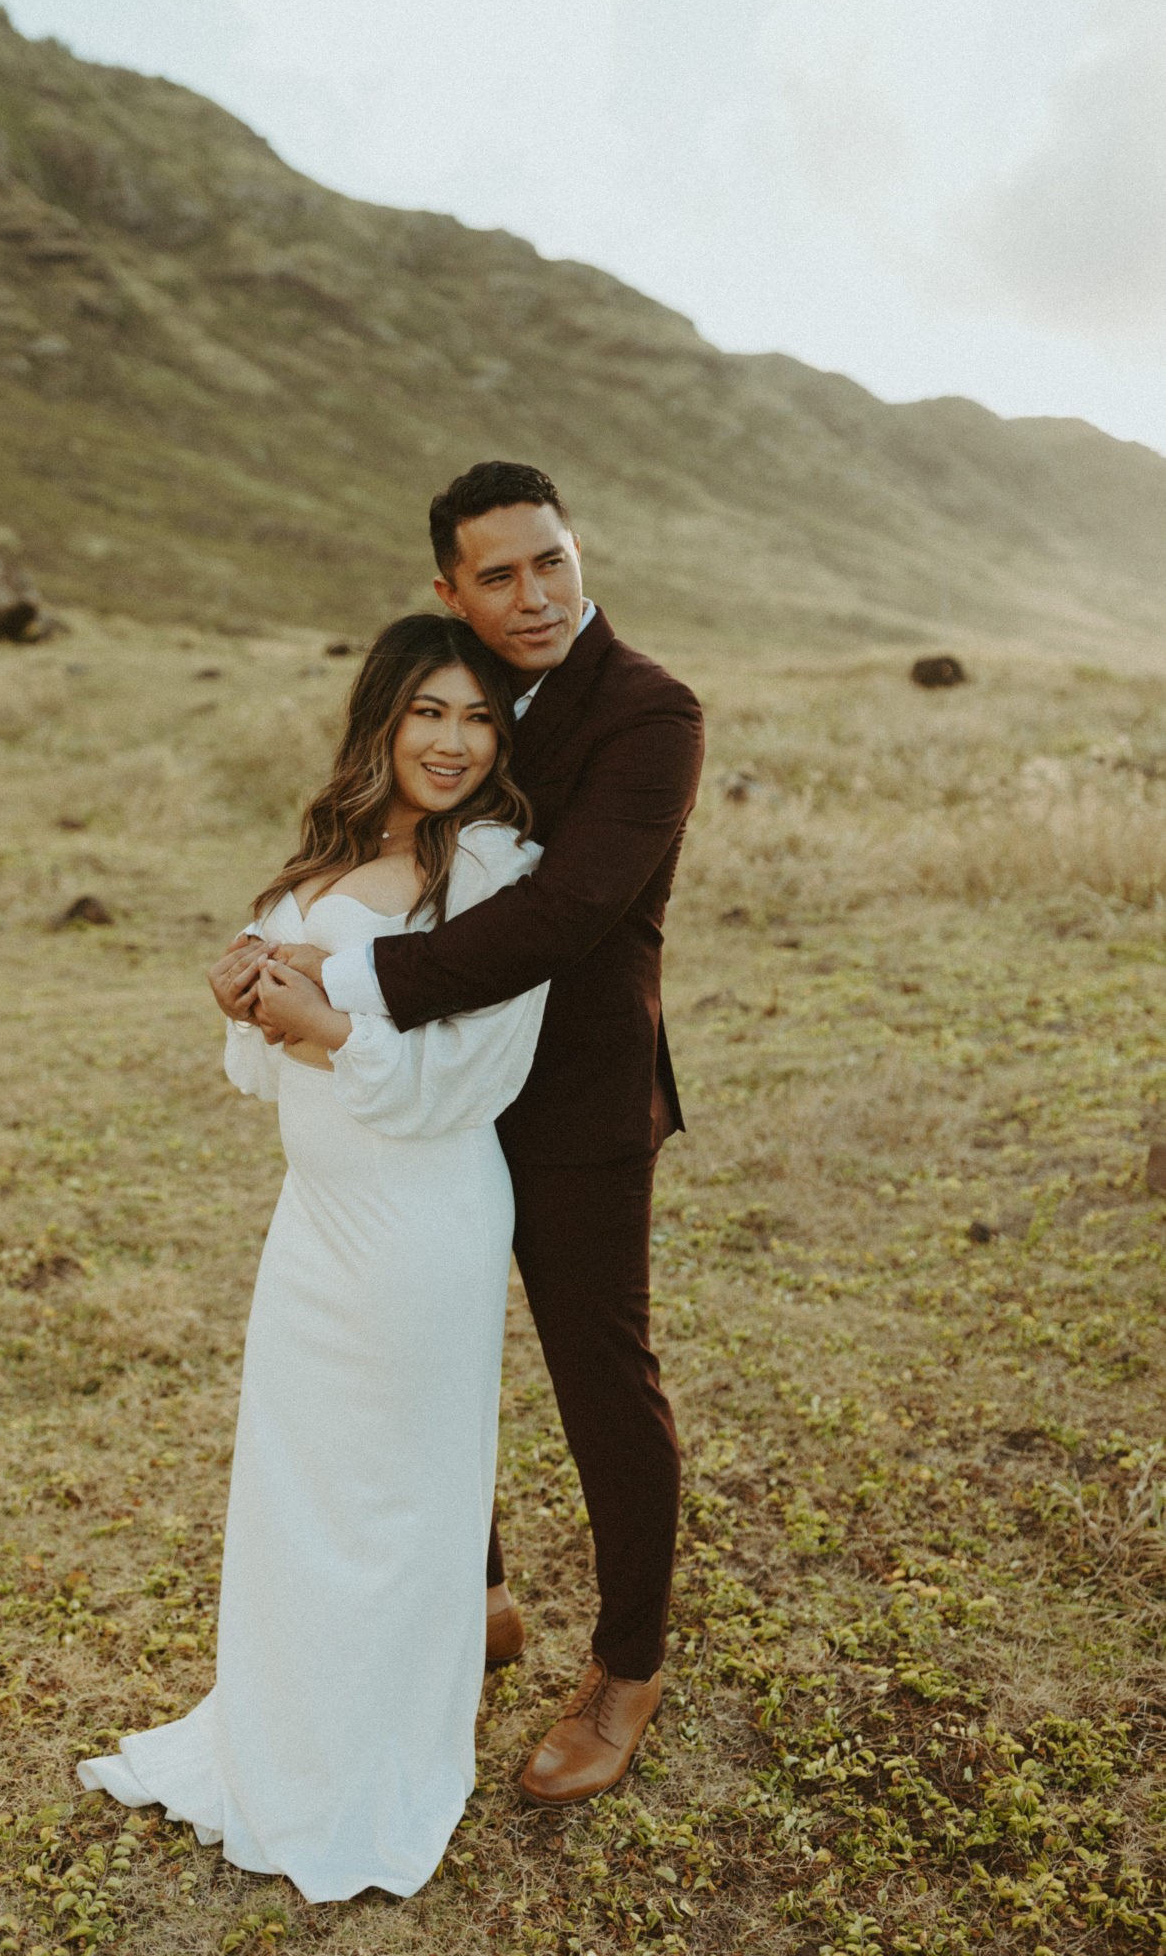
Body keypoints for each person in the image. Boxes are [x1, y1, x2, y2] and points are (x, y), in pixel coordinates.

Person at [77, 614, 549, 1901]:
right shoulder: (336, 847)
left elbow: (476, 1072)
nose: (453, 742)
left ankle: (372, 1756)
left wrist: (330, 1027)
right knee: (301, 1478)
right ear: (382, 718)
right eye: (429, 713)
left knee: (398, 1491)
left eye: (478, 718)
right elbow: (259, 1058)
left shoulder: (503, 865)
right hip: (316, 1223)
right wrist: (241, 996)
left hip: (425, 1217)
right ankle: (282, 1733)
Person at [269, 462, 704, 1807]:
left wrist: (346, 989)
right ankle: (481, 1603)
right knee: (424, 1357)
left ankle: (624, 1670)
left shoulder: (650, 713)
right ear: (448, 591)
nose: (534, 597)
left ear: (581, 554)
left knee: (598, 1384)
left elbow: (565, 914)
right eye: (499, 576)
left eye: (552, 562)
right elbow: (379, 842)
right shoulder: (454, 691)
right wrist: (273, 944)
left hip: (573, 1110)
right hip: (425, 1099)